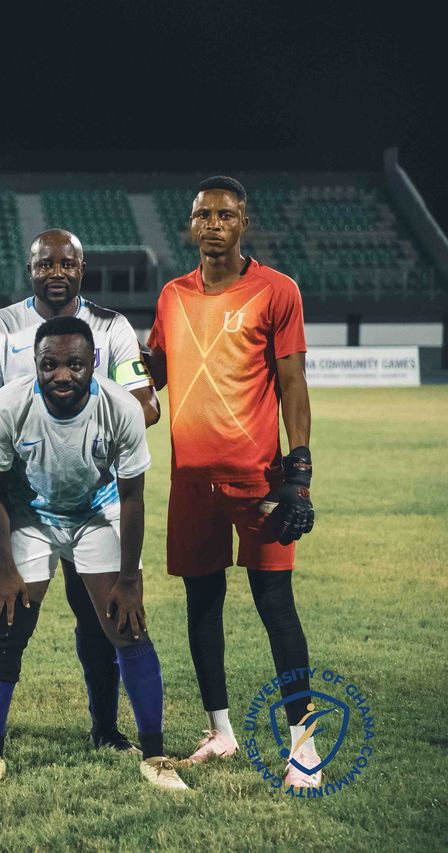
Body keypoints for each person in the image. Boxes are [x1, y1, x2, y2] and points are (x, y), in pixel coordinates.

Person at [146, 176, 317, 787]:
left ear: (244, 221)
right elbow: (155, 375)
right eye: (202, 215)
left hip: (259, 480)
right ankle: (220, 732)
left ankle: (304, 746)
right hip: (191, 483)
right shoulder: (170, 295)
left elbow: (292, 381)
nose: (212, 224)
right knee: (202, 605)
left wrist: (300, 467)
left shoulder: (277, 290)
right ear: (190, 225)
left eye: (224, 214)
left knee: (276, 606)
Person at [0, 316, 185, 791]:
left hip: (96, 514)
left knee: (126, 627)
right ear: (35, 364)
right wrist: (5, 570)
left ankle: (155, 756)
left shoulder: (121, 408)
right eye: (50, 365)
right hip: (32, 515)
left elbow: (131, 498)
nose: (61, 375)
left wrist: (128, 579)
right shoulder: (9, 404)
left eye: (75, 364)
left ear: (94, 365)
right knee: (6, 624)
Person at [0, 228, 158, 754]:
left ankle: (106, 728)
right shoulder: (1, 325)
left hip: (95, 498)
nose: (55, 273)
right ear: (31, 269)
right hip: (23, 501)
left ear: (81, 268)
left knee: (102, 621)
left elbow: (145, 407)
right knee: (8, 617)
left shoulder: (111, 326)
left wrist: (79, 426)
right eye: (44, 264)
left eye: (65, 264)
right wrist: (28, 442)